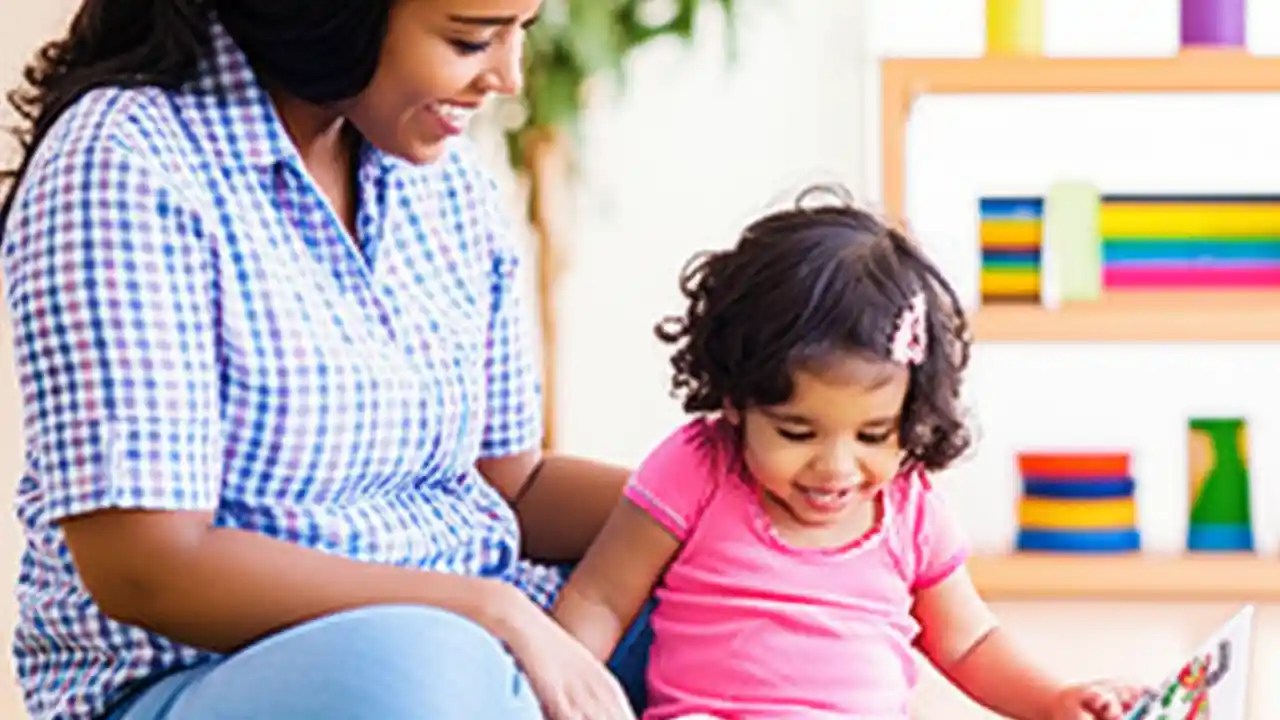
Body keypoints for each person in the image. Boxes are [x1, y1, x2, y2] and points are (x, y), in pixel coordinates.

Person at [0, 1, 644, 719]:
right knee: (425, 673)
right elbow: (146, 568)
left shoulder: (443, 180)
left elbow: (510, 490)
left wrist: (704, 502)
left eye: (521, 31)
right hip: (214, 678)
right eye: (470, 39)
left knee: (705, 589)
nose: (509, 77)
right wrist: (486, 610)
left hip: (470, 650)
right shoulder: (126, 161)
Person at [552, 187, 1147, 720]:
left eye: (873, 436)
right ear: (736, 399)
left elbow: (968, 641)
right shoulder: (697, 468)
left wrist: (1053, 699)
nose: (836, 469)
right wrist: (553, 695)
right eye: (796, 433)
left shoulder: (910, 508)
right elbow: (600, 598)